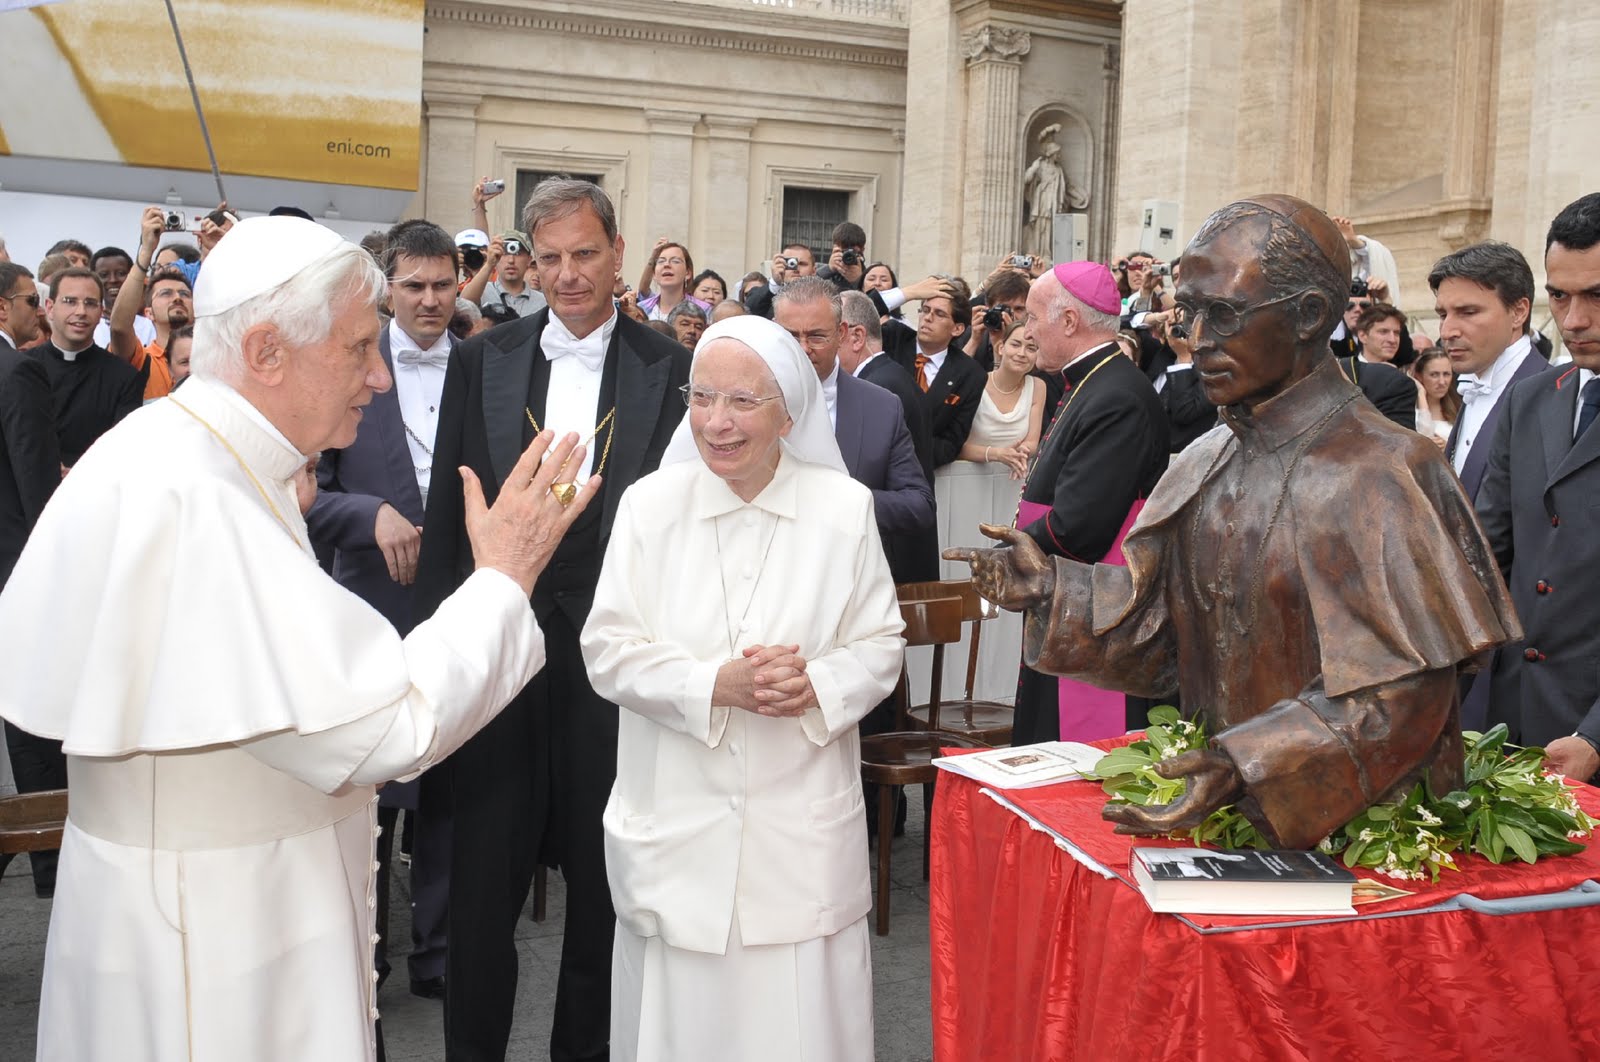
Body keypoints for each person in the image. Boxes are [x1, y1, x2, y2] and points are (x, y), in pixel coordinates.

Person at [0, 215, 601, 1061]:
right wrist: (504, 573)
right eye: (359, 348)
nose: (380, 378)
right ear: (267, 351)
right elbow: (388, 727)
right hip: (218, 935)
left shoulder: (189, 451)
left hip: (205, 904)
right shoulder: (199, 494)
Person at [947, 195, 1518, 848]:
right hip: (1226, 815)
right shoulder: (1207, 455)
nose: (1199, 339)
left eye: (1224, 314)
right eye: (1189, 312)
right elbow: (1166, 628)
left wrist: (1250, 763)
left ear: (1308, 316)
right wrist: (1054, 588)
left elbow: (1407, 697)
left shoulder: (1385, 471)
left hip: (1362, 843)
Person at [415, 177, 692, 1062]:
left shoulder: (672, 368)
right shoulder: (480, 358)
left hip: (612, 665)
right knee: (481, 890)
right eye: (549, 259)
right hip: (498, 654)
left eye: (584, 255)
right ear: (527, 263)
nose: (567, 276)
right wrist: (436, 662)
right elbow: (446, 515)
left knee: (603, 889)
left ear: (618, 253)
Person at [579, 314, 902, 1062]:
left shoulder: (843, 509)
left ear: (789, 411)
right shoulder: (648, 507)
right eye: (702, 398)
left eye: (742, 403)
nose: (716, 423)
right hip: (676, 826)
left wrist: (818, 684)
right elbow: (605, 650)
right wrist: (710, 685)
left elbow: (881, 643)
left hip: (797, 834)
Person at [305, 218, 462, 1005]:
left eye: (442, 284)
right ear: (385, 287)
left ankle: (439, 955)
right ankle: (360, 957)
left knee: (446, 787)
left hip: (457, 607)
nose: (430, 300)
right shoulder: (343, 366)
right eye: (414, 286)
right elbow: (302, 493)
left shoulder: (486, 368)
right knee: (368, 794)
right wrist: (368, 514)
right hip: (367, 608)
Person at [1009, 261, 1168, 744]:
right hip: (1068, 596)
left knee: (1081, 752)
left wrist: (1011, 547)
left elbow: (1080, 526)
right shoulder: (1092, 382)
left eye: (1034, 318)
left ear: (1070, 321)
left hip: (1096, 601)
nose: (1028, 331)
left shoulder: (1116, 395)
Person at [1477, 192, 1600, 783]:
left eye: (1598, 296)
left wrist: (1596, 738)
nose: (1574, 320)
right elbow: (1484, 555)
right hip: (1513, 727)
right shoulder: (1530, 399)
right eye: (1560, 296)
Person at [774, 277, 933, 584]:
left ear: (842, 334)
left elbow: (919, 506)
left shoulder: (882, 407)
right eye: (791, 337)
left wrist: (841, 501)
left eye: (817, 337)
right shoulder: (742, 401)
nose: (803, 349)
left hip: (851, 587)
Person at [0, 261, 63, 900]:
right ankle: (52, 867)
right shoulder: (18, 372)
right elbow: (36, 488)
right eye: (29, 300)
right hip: (13, 583)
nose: (36, 311)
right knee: (33, 728)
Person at [1435, 242, 1552, 500]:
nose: (1447, 331)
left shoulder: (1550, 398)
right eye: (1443, 315)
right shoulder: (1471, 382)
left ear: (1518, 312)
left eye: (1468, 312)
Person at [29, 267, 143, 467]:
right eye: (70, 301)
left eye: (90, 303)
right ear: (49, 307)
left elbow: (124, 447)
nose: (81, 312)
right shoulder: (24, 369)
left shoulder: (123, 377)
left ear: (101, 311)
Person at [956, 319, 1044, 479]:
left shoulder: (1038, 387)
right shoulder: (974, 383)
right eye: (1015, 344)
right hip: (968, 477)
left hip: (1014, 476)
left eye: (1031, 348)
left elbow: (1032, 441)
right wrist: (997, 454)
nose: (1022, 353)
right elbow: (956, 447)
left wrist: (1022, 451)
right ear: (1001, 348)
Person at [1336, 302, 1418, 429]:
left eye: (1396, 333)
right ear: (1362, 336)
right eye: (1383, 332)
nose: (1392, 339)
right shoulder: (1343, 372)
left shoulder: (1407, 376)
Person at [639, 240, 710, 323]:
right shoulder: (642, 308)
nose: (666, 265)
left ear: (688, 273)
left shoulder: (704, 309)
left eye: (675, 261)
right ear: (654, 274)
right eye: (661, 261)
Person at [1411, 349, 1460, 447]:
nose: (1442, 382)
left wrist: (1448, 448)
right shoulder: (1409, 410)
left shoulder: (1458, 408)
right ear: (1419, 376)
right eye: (1434, 375)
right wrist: (1421, 394)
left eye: (1446, 374)